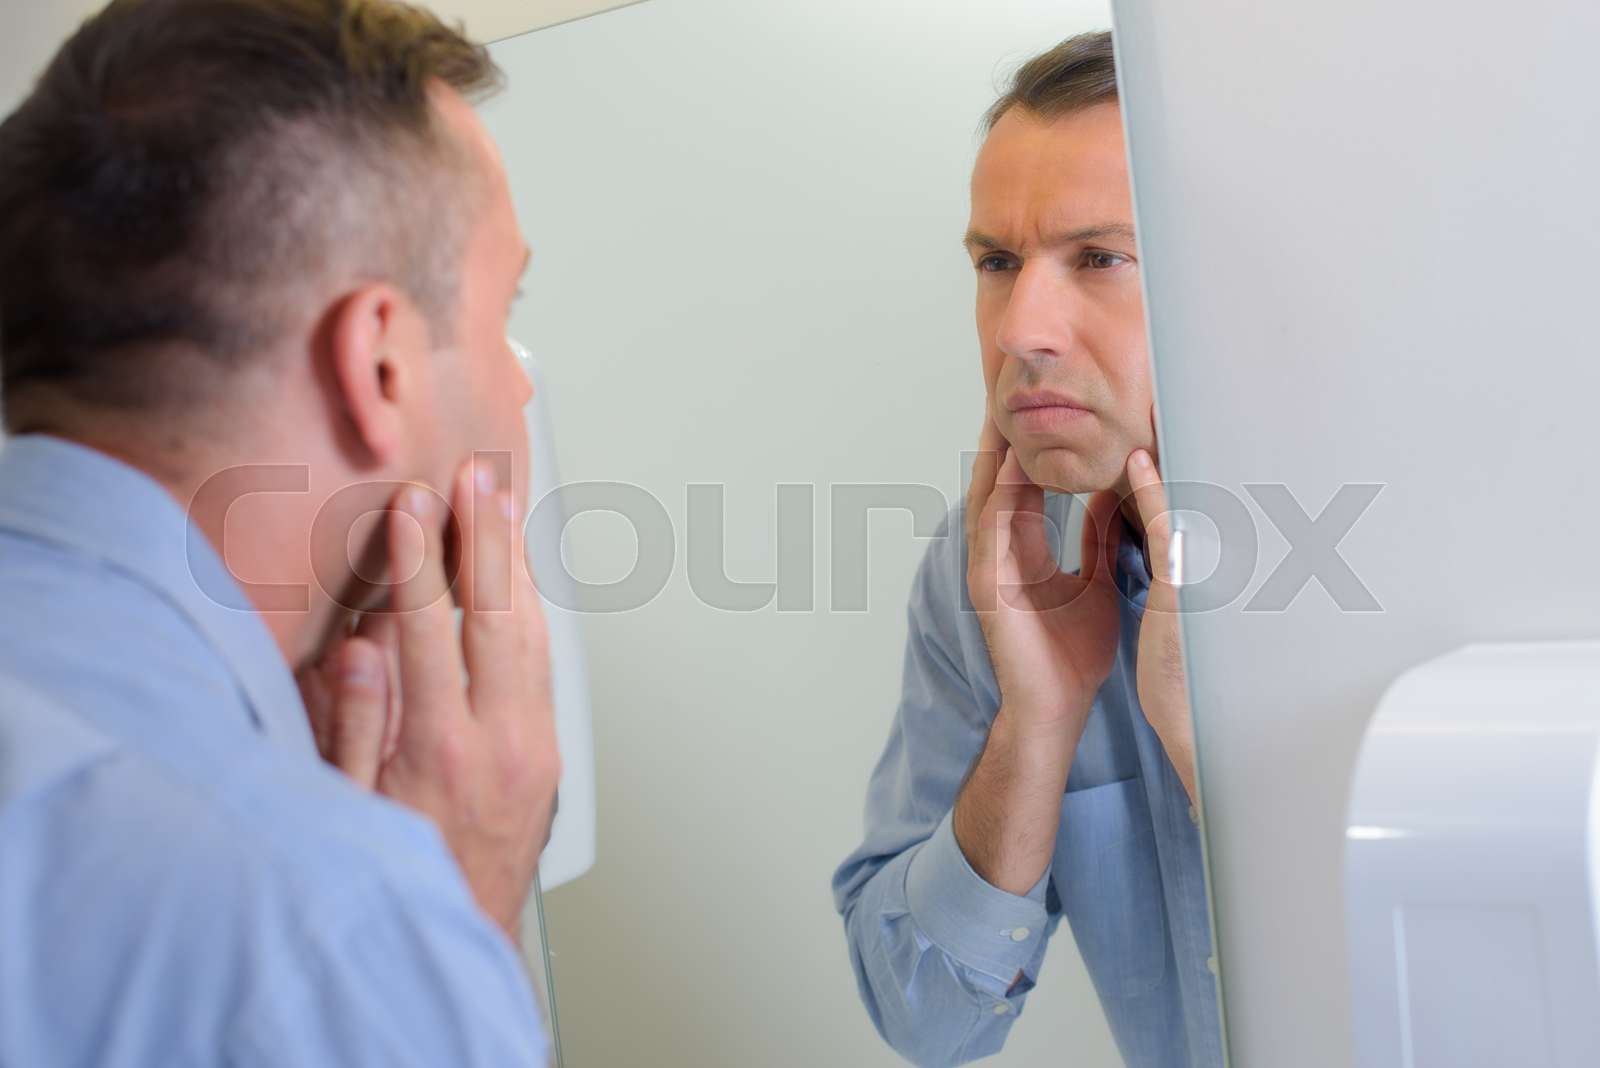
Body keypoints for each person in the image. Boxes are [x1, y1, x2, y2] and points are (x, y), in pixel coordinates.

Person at [0, 1, 561, 1065]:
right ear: (381, 365)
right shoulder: (319, 926)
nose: (516, 393)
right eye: (502, 314)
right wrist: (450, 932)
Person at [832, 31, 1225, 1068]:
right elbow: (926, 1021)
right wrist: (1035, 722)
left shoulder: (1410, 553)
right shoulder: (995, 578)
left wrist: (1208, 756)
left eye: (1098, 257)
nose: (1020, 329)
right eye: (997, 263)